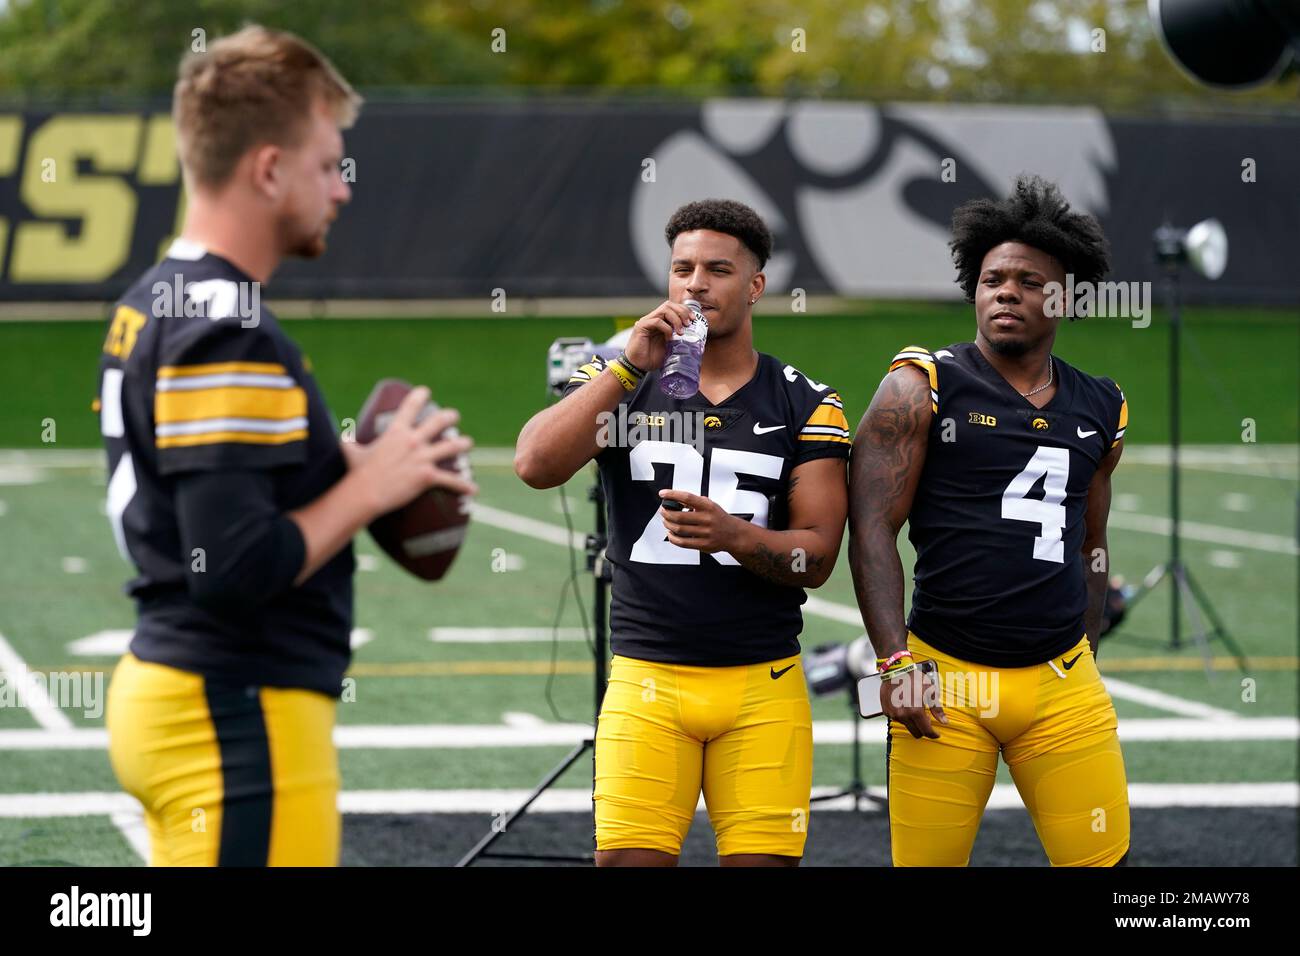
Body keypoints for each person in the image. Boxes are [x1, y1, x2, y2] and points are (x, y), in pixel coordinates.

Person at [98, 25, 476, 866]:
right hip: (234, 715)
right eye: (324, 165)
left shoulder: (157, 296)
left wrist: (334, 469)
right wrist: (371, 486)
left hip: (182, 695)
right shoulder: (226, 325)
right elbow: (230, 567)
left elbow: (219, 493)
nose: (340, 190)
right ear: (268, 169)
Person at [515, 199, 851, 866]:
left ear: (755, 286)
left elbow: (815, 558)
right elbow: (534, 464)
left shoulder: (806, 401)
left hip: (764, 681)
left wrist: (735, 536)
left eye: (718, 269)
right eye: (682, 268)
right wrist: (624, 368)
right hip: (648, 678)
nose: (696, 283)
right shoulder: (623, 383)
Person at [848, 174, 1130, 867]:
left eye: (1029, 281)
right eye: (992, 278)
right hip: (946, 678)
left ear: (1065, 296)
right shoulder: (922, 384)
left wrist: (1085, 653)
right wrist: (895, 661)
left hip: (1060, 680)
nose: (1006, 290)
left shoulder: (1102, 406)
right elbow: (872, 528)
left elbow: (1090, 543)